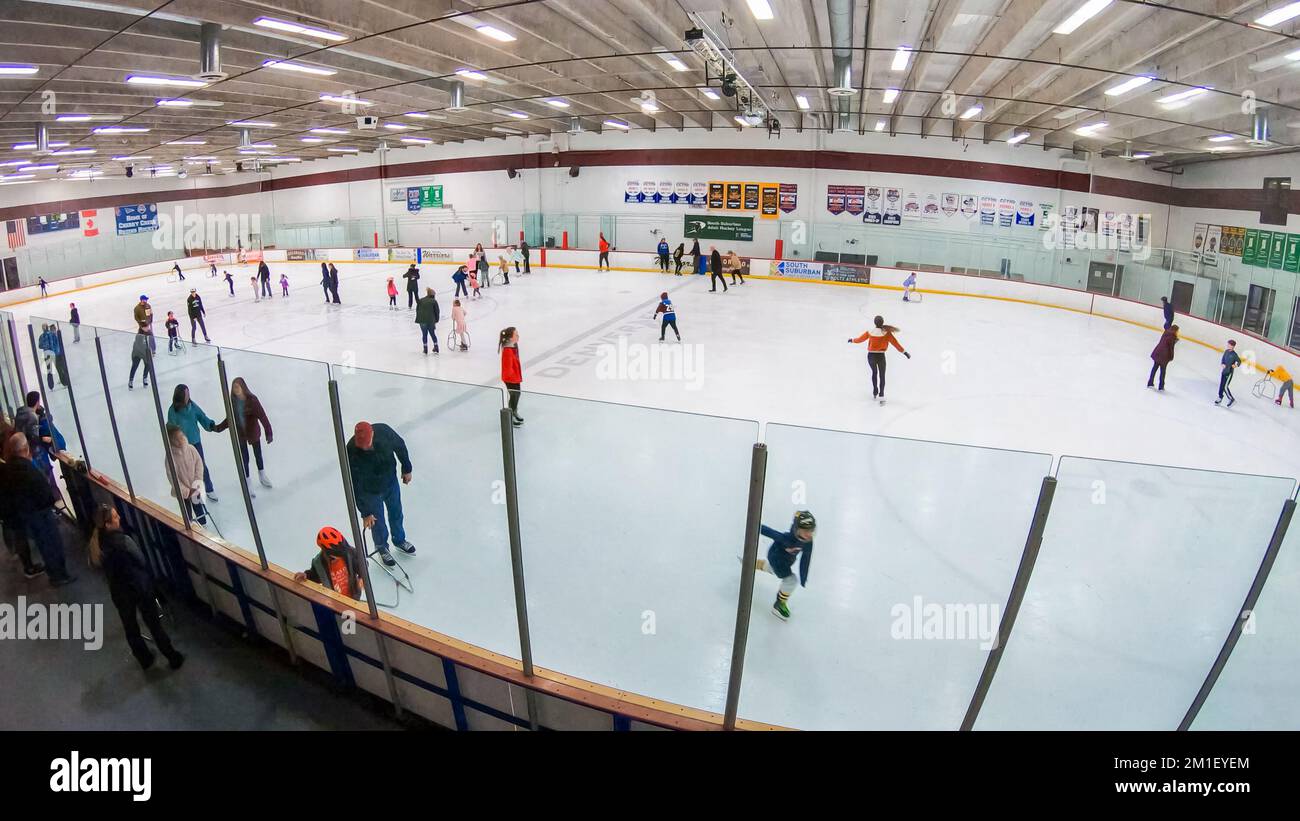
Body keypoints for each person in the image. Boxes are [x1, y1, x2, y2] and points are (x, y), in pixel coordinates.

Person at [88, 503, 183, 670]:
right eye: (116, 517)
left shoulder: (98, 545)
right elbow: (141, 560)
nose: (120, 518)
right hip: (138, 587)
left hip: (119, 591)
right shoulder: (124, 541)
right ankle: (172, 657)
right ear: (108, 524)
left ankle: (144, 659)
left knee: (130, 626)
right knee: (154, 625)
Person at [0, 432, 73, 586]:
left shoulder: (9, 468)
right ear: (26, 448)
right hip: (40, 513)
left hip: (27, 513)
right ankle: (59, 576)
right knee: (52, 544)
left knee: (44, 545)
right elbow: (45, 493)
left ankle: (54, 574)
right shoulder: (29, 470)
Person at [346, 421, 415, 567]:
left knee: (396, 512)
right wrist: (365, 512)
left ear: (372, 434)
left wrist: (406, 468)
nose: (364, 447)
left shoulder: (384, 432)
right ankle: (382, 547)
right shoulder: (351, 451)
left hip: (390, 482)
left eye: (366, 443)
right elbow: (355, 483)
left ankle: (399, 539)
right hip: (370, 492)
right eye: (361, 444)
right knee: (377, 523)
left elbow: (400, 446)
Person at [749, 511, 816, 621]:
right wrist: (753, 524)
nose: (809, 534)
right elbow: (771, 532)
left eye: (811, 531)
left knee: (776, 570)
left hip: (786, 561)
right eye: (805, 531)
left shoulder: (808, 542)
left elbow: (806, 558)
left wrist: (803, 577)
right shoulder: (787, 538)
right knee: (791, 581)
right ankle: (779, 604)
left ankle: (758, 564)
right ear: (796, 529)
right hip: (777, 559)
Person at [166, 384, 226, 500]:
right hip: (182, 445)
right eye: (186, 394)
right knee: (185, 468)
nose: (188, 396)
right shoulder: (173, 411)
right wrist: (173, 442)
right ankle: (190, 491)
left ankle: (209, 488)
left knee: (201, 465)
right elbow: (171, 429)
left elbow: (202, 417)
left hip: (195, 441)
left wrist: (212, 426)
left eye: (188, 393)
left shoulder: (192, 406)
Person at [0, 426, 43, 579]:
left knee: (15, 531)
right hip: (11, 508)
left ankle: (19, 556)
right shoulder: (8, 467)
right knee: (20, 534)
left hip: (7, 508)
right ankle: (29, 567)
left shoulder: (6, 466)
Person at [849, 315, 911, 405]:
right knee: (882, 376)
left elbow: (860, 339)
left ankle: (875, 391)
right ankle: (881, 395)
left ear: (875, 323)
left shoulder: (870, 332)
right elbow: (896, 344)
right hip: (881, 357)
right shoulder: (887, 333)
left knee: (874, 373)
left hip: (871, 356)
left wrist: (852, 340)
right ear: (882, 322)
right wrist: (905, 353)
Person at [293, 526, 365, 601]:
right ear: (327, 552)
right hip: (333, 600)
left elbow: (362, 564)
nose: (342, 555)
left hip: (354, 598)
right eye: (338, 554)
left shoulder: (349, 552)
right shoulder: (319, 563)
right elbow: (315, 576)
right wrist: (306, 575)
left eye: (343, 551)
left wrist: (362, 577)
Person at [230, 377, 273, 490]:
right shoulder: (233, 402)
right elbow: (230, 419)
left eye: (237, 387)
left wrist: (268, 432)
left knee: (258, 454)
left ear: (243, 387)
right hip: (241, 434)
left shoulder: (252, 400)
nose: (236, 390)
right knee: (244, 459)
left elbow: (262, 416)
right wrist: (217, 427)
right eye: (234, 388)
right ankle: (248, 481)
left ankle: (262, 474)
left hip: (253, 432)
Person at [164, 423, 209, 526]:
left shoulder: (191, 449)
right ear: (170, 441)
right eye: (176, 439)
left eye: (181, 436)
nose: (179, 440)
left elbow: (199, 464)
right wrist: (186, 492)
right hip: (183, 493)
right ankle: (190, 526)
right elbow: (173, 479)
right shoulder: (170, 458)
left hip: (195, 488)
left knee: (199, 509)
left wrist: (197, 482)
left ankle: (203, 525)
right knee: (187, 513)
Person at [500, 327, 523, 428]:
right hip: (510, 378)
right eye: (516, 334)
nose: (518, 336)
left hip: (515, 376)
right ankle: (510, 416)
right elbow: (508, 368)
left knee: (516, 395)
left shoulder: (514, 345)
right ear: (510, 338)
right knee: (514, 396)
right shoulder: (508, 350)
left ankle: (514, 412)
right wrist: (513, 379)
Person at [1147, 325, 1178, 391]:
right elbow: (1170, 347)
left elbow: (1163, 342)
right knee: (1163, 371)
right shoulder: (1173, 336)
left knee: (1154, 368)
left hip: (1158, 352)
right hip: (1164, 355)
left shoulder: (1166, 332)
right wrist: (1171, 356)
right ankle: (1161, 386)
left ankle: (1150, 382)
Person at [1215, 340, 1241, 407]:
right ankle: (1220, 397)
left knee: (1225, 387)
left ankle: (1232, 399)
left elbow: (1239, 361)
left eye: (1230, 345)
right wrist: (1222, 363)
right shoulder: (1226, 351)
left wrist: (1236, 365)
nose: (1228, 345)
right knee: (1221, 385)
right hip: (1224, 371)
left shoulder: (1234, 355)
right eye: (1228, 344)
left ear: (1233, 346)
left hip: (1229, 372)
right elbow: (1223, 359)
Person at [415, 287, 440, 355]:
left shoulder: (421, 300)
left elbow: (417, 310)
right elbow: (437, 312)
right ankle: (436, 346)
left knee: (424, 334)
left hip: (422, 320)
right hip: (430, 320)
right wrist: (436, 320)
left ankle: (425, 348)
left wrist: (419, 318)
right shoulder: (434, 301)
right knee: (432, 333)